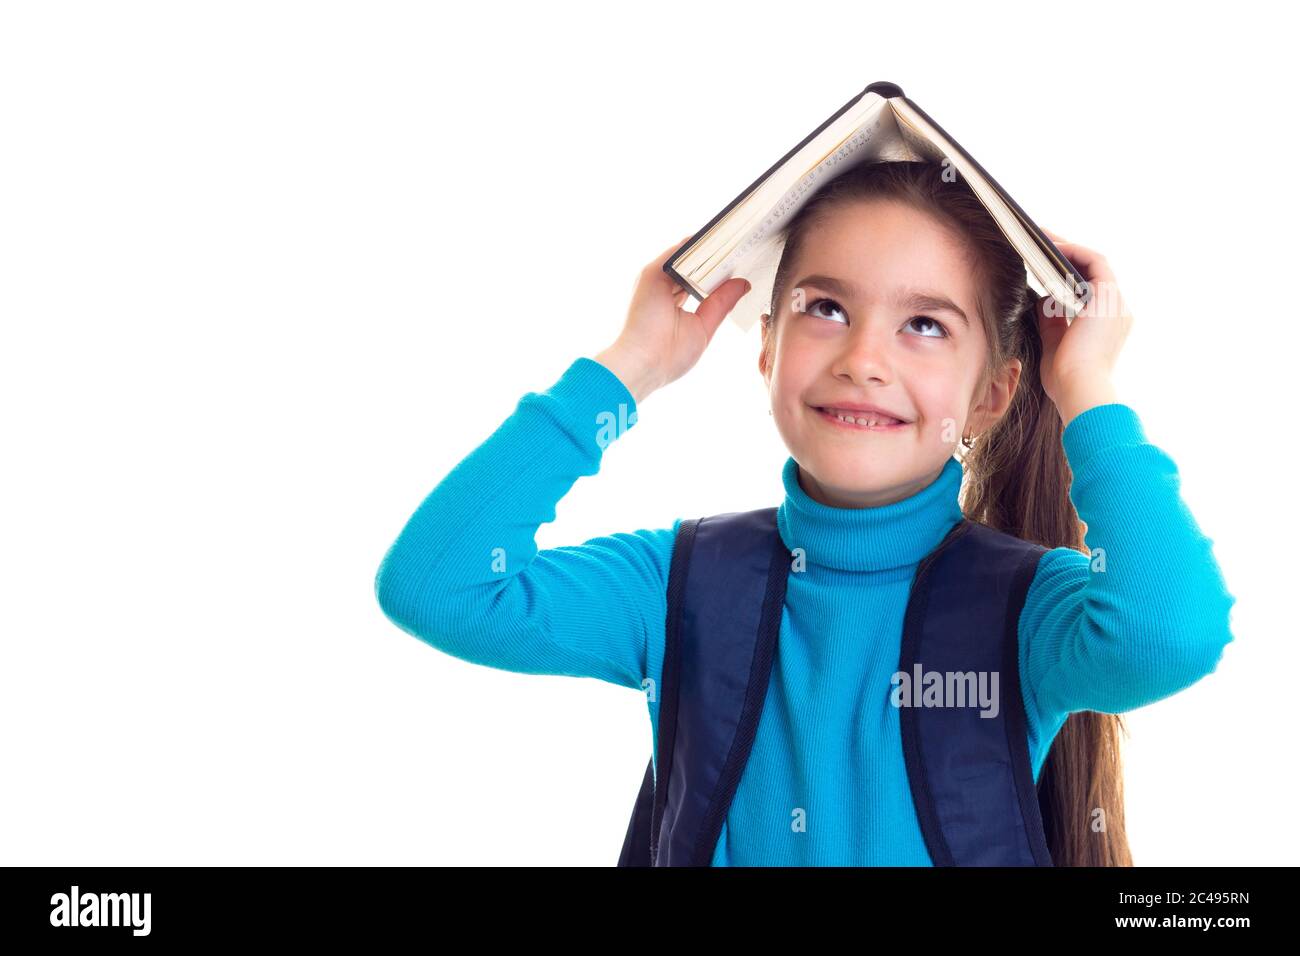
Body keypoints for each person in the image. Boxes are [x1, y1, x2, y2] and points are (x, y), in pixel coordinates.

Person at [374, 159, 1237, 866]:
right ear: (766, 348)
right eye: (825, 309)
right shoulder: (674, 587)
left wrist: (1084, 386)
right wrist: (631, 364)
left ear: (993, 396)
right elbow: (437, 586)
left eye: (926, 325)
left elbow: (1171, 634)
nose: (863, 358)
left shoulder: (1027, 611)